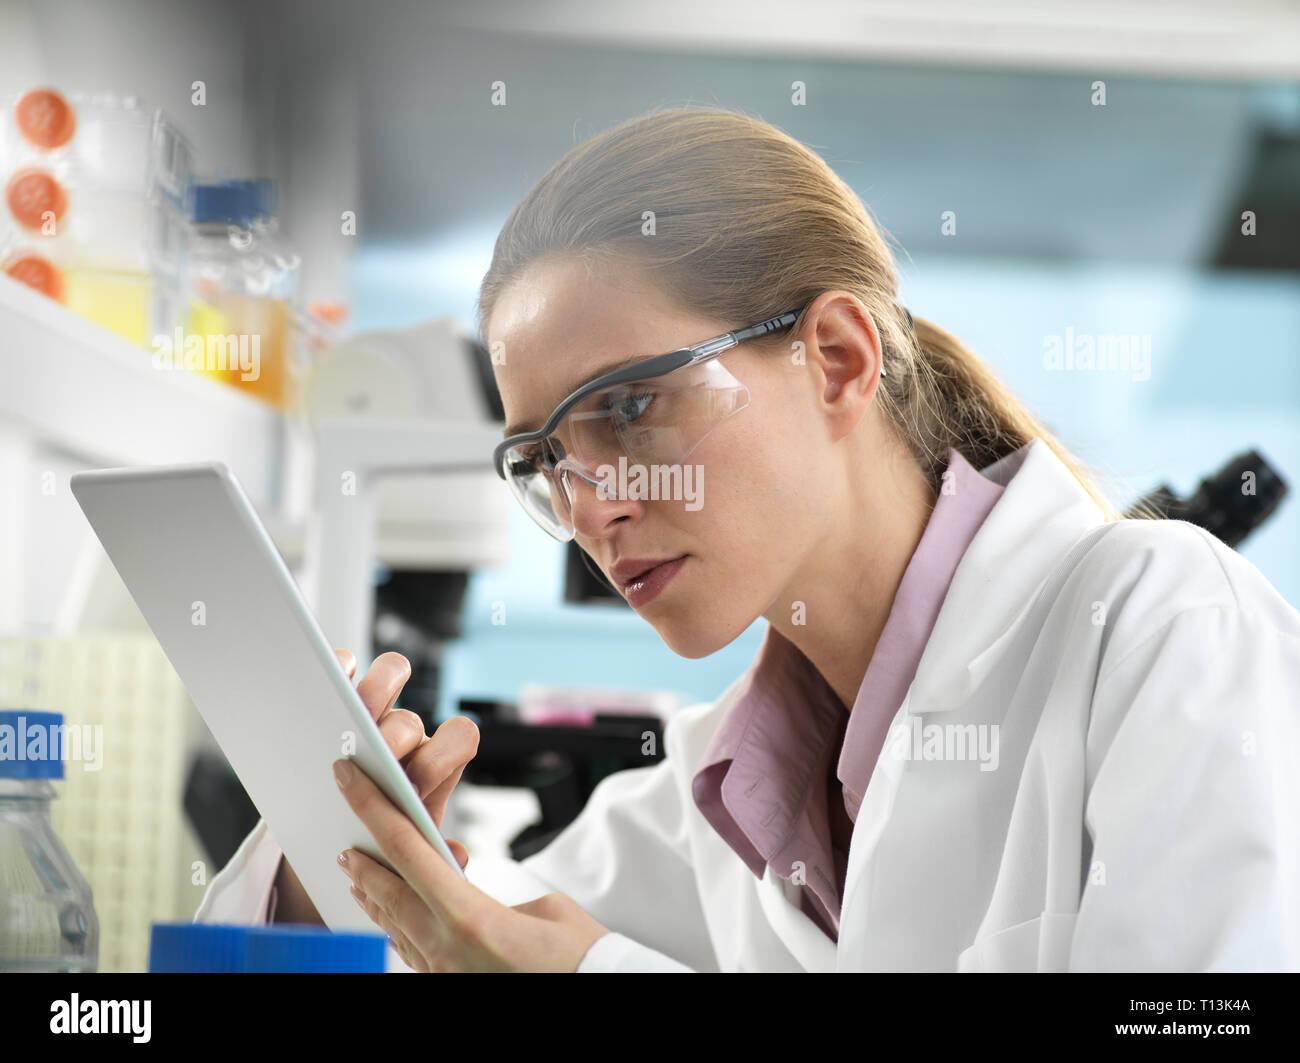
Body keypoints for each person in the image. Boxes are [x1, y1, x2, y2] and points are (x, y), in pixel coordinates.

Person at [195, 107, 1300, 972]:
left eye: (628, 409)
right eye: (543, 459)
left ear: (835, 358)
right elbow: (457, 941)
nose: (590, 510)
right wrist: (335, 861)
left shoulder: (1159, 623)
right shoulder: (720, 786)